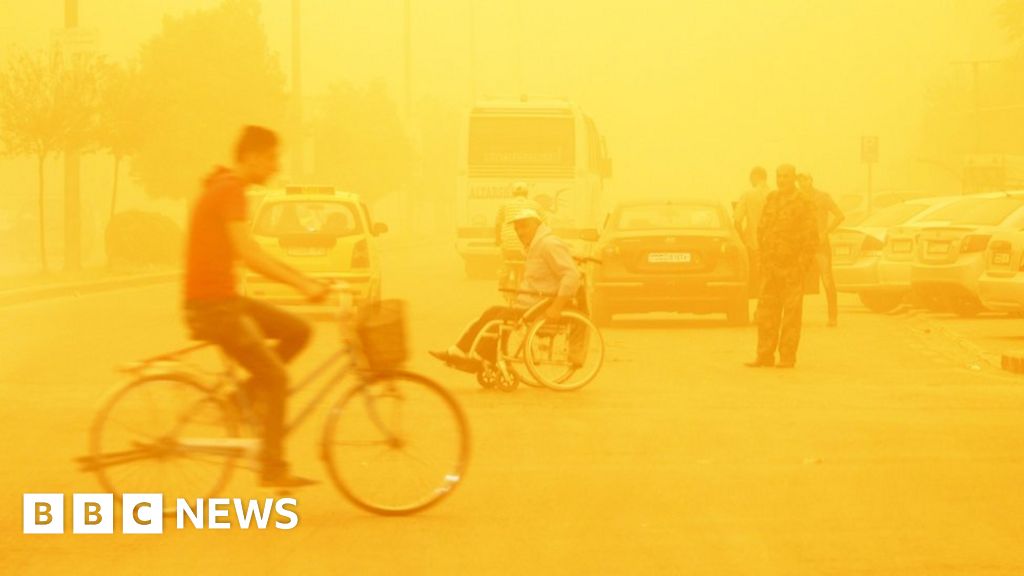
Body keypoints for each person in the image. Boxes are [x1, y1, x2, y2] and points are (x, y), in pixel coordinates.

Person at [183, 126, 329, 488]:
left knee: (299, 330)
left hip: (223, 301)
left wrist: (305, 279)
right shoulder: (230, 190)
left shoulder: (227, 187)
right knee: (276, 378)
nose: (276, 167)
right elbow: (248, 254)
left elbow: (250, 252)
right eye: (272, 158)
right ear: (250, 157)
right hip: (214, 308)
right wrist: (301, 283)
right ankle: (272, 467)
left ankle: (240, 398)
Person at [431, 208, 580, 364]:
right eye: (517, 229)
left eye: (524, 226)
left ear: (537, 224)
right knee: (492, 312)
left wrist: (556, 307)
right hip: (532, 304)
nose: (519, 232)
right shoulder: (536, 245)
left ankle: (480, 357)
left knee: (500, 318)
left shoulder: (549, 244)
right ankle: (460, 351)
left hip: (541, 305)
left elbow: (571, 275)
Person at [746, 164, 818, 369]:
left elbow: (811, 237)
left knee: (791, 316)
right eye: (779, 176)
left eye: (786, 176)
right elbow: (762, 229)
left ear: (794, 178)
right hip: (771, 267)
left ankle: (787, 357)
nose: (781, 180)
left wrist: (801, 266)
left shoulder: (803, 202)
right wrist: (763, 258)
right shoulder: (772, 198)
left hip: (791, 268)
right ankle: (764, 355)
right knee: (766, 313)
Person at [798, 173, 845, 327]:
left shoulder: (823, 197)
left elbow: (839, 216)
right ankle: (795, 317)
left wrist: (825, 231)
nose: (802, 183)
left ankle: (833, 317)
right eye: (800, 181)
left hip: (820, 245)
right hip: (802, 245)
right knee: (797, 281)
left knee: (827, 279)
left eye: (805, 179)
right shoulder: (796, 198)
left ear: (811, 180)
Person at [734, 166, 770, 295]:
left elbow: (737, 220)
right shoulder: (776, 194)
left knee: (756, 276)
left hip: (754, 244)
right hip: (773, 245)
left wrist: (743, 238)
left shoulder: (748, 194)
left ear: (754, 177)